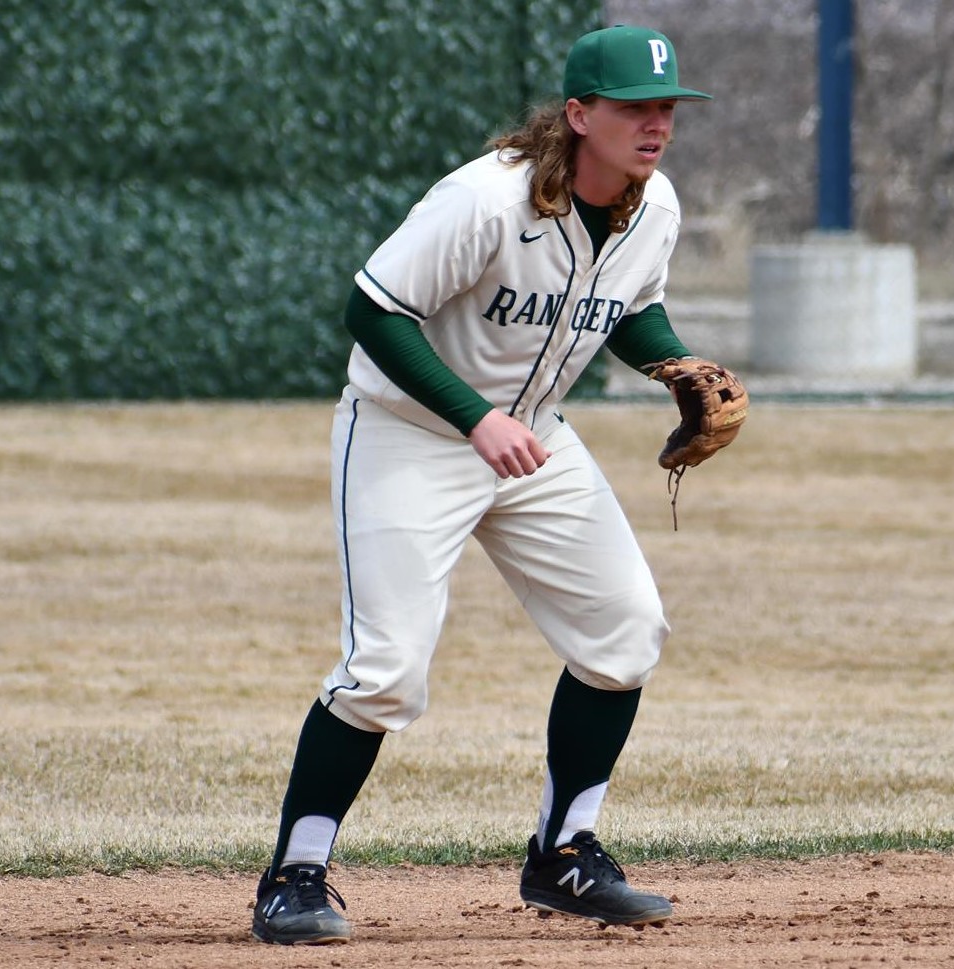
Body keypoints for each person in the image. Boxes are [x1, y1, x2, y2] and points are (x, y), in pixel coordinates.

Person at [252, 24, 733, 946]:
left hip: (536, 442)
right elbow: (375, 310)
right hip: (410, 437)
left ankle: (564, 854)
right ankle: (293, 876)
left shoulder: (653, 204)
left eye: (667, 107)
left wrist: (672, 362)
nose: (655, 124)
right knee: (385, 672)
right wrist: (475, 415)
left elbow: (627, 306)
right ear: (579, 114)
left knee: (624, 634)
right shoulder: (484, 200)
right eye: (635, 107)